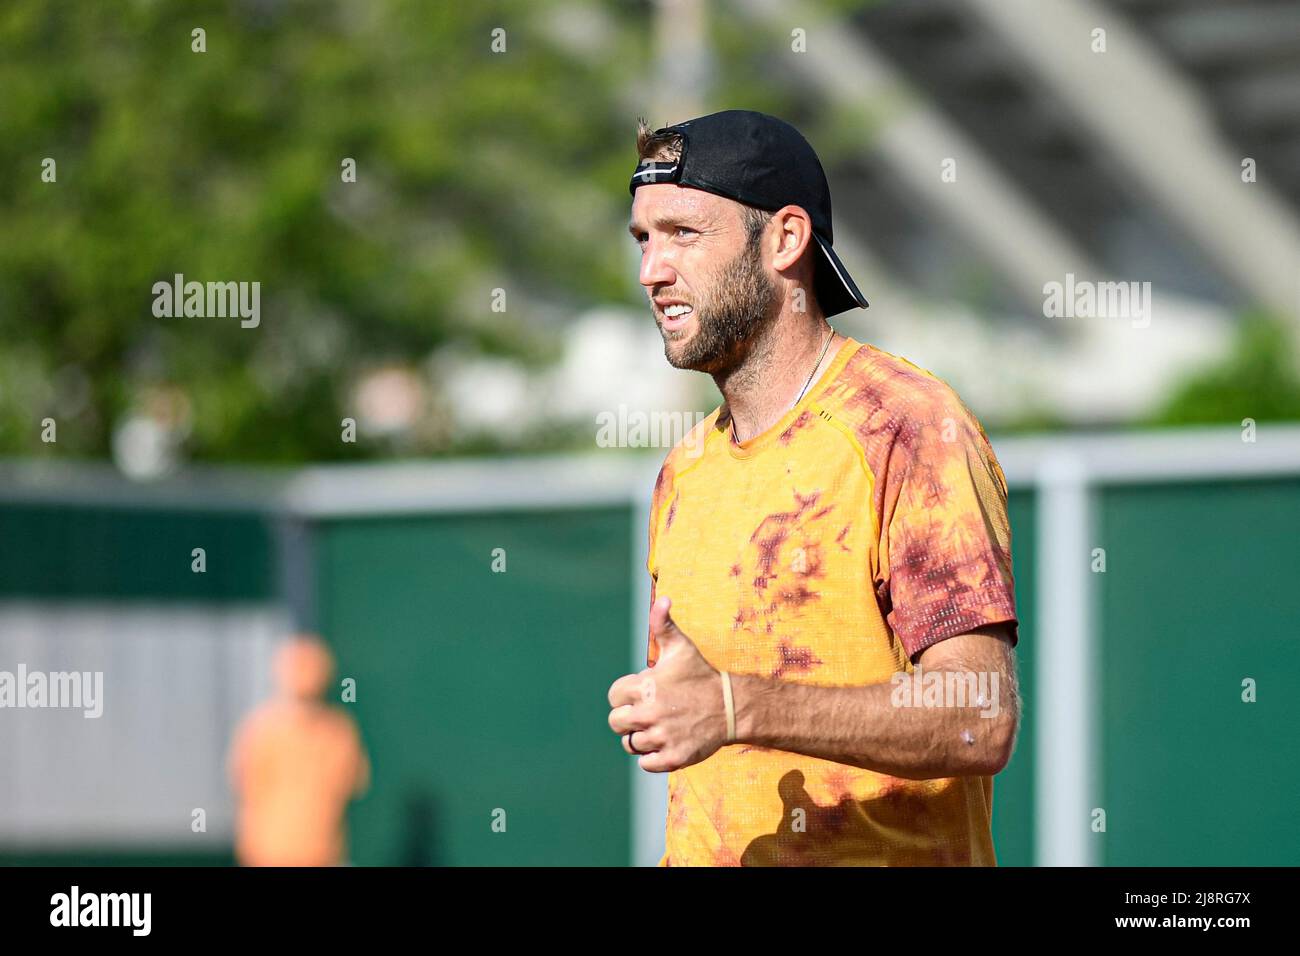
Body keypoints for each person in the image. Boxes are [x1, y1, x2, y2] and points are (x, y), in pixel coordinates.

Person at [608, 110, 1020, 866]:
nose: (651, 271)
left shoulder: (908, 425)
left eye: (684, 234)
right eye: (643, 239)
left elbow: (980, 715)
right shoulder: (683, 471)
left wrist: (739, 705)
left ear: (787, 241)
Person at [228, 635, 370, 866]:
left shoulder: (337, 731)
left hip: (312, 850)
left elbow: (351, 781)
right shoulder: (263, 730)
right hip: (273, 851)